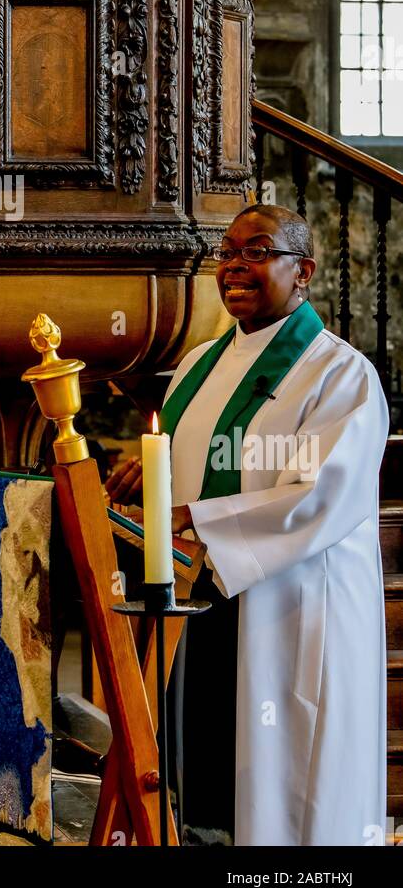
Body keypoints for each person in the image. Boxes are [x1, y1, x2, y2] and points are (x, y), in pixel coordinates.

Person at [105, 203, 388, 847]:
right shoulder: (200, 363)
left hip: (294, 607)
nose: (234, 265)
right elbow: (197, 461)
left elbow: (323, 495)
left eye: (257, 251)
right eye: (226, 252)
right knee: (209, 767)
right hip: (204, 599)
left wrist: (200, 521)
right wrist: (148, 481)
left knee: (290, 778)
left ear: (305, 270)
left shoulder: (340, 374)